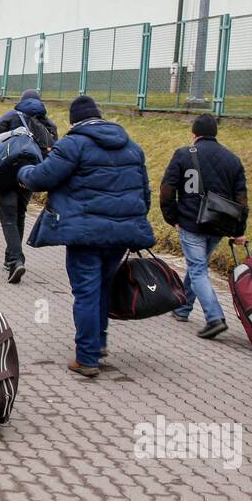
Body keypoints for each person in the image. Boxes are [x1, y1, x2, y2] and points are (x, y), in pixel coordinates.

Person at [17, 95, 154, 378]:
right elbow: (145, 193)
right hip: (119, 234)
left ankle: (87, 357)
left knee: (87, 292)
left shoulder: (73, 144)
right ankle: (99, 343)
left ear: (75, 120)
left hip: (86, 234)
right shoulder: (132, 148)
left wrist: (23, 171)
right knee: (103, 287)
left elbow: (42, 178)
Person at [159, 114, 248, 340]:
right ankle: (182, 308)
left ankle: (215, 318)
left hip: (190, 223)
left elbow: (167, 190)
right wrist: (239, 231)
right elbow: (241, 199)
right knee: (196, 266)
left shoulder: (183, 155)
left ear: (194, 134)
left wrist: (172, 218)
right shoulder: (233, 159)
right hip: (219, 226)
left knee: (197, 269)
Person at [0, 89, 58, 283]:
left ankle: (16, 259)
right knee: (19, 213)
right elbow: (53, 153)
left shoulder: (10, 117)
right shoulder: (48, 125)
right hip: (30, 176)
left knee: (8, 216)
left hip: (7, 174)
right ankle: (10, 256)